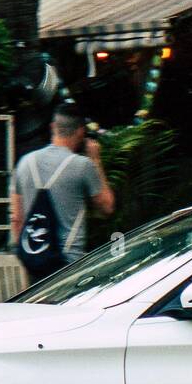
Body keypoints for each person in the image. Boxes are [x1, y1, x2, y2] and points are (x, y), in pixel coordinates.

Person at [10, 104, 115, 269]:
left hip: (33, 260)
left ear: (53, 127)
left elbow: (16, 218)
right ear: (81, 132)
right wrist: (96, 160)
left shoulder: (24, 162)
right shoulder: (83, 165)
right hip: (68, 265)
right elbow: (107, 207)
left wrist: (30, 257)